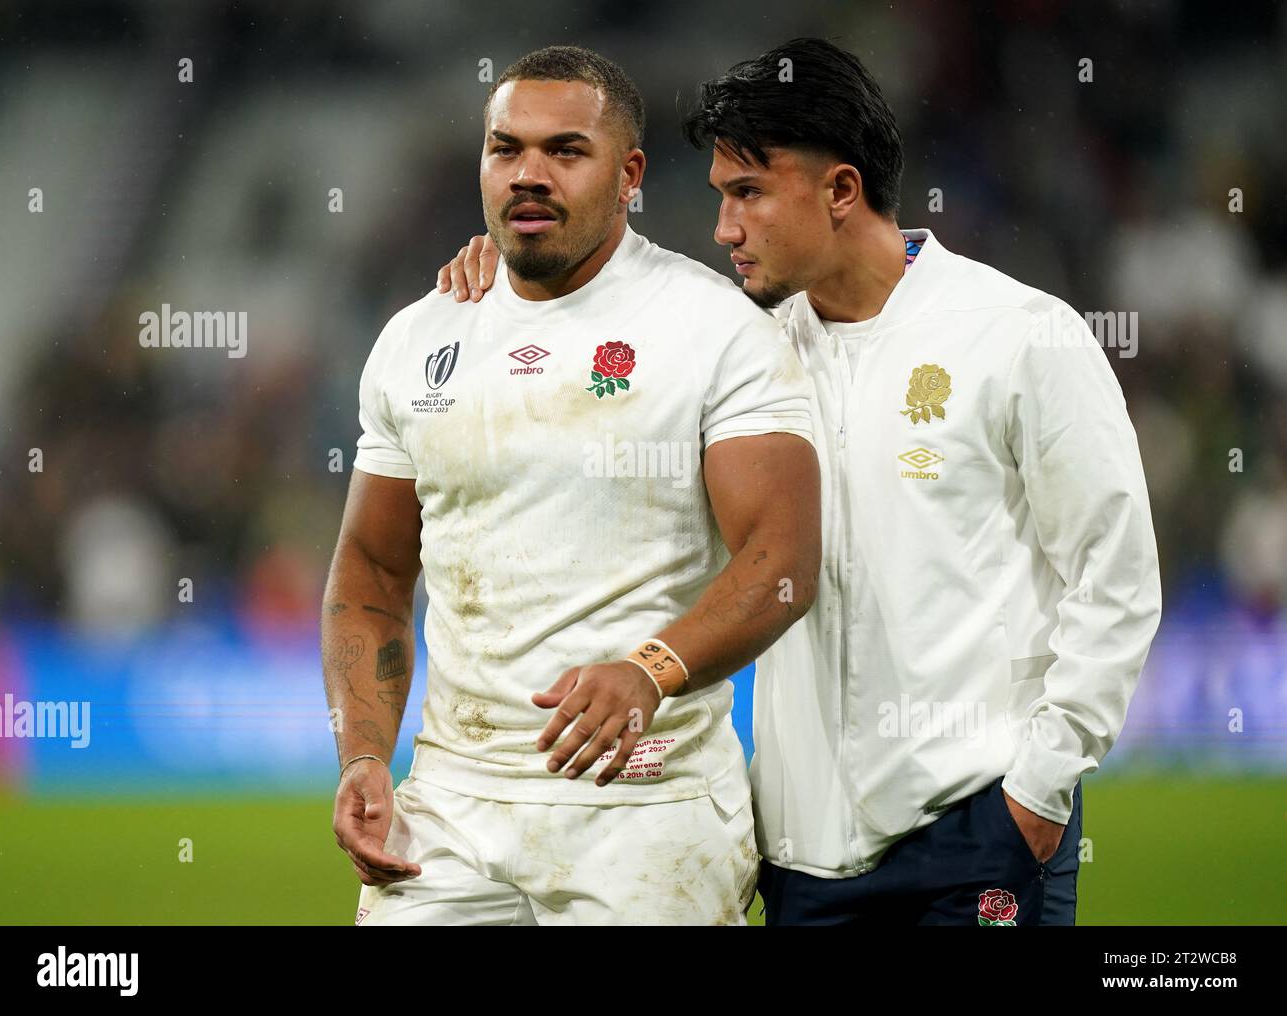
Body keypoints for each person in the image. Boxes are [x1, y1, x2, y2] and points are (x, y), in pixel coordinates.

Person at [436, 37, 1162, 926]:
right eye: (719, 197)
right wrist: (508, 267)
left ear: (841, 191)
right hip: (800, 860)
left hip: (979, 829)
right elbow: (587, 333)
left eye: (748, 194)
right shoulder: (741, 351)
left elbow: (1115, 576)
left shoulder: (1019, 336)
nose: (723, 229)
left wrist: (1041, 792)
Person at [322, 45, 821, 926]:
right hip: (450, 808)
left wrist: (648, 670)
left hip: (646, 806)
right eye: (505, 149)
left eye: (564, 151)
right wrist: (365, 755)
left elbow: (783, 560)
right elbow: (369, 572)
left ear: (629, 173)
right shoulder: (419, 336)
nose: (528, 174)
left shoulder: (714, 328)